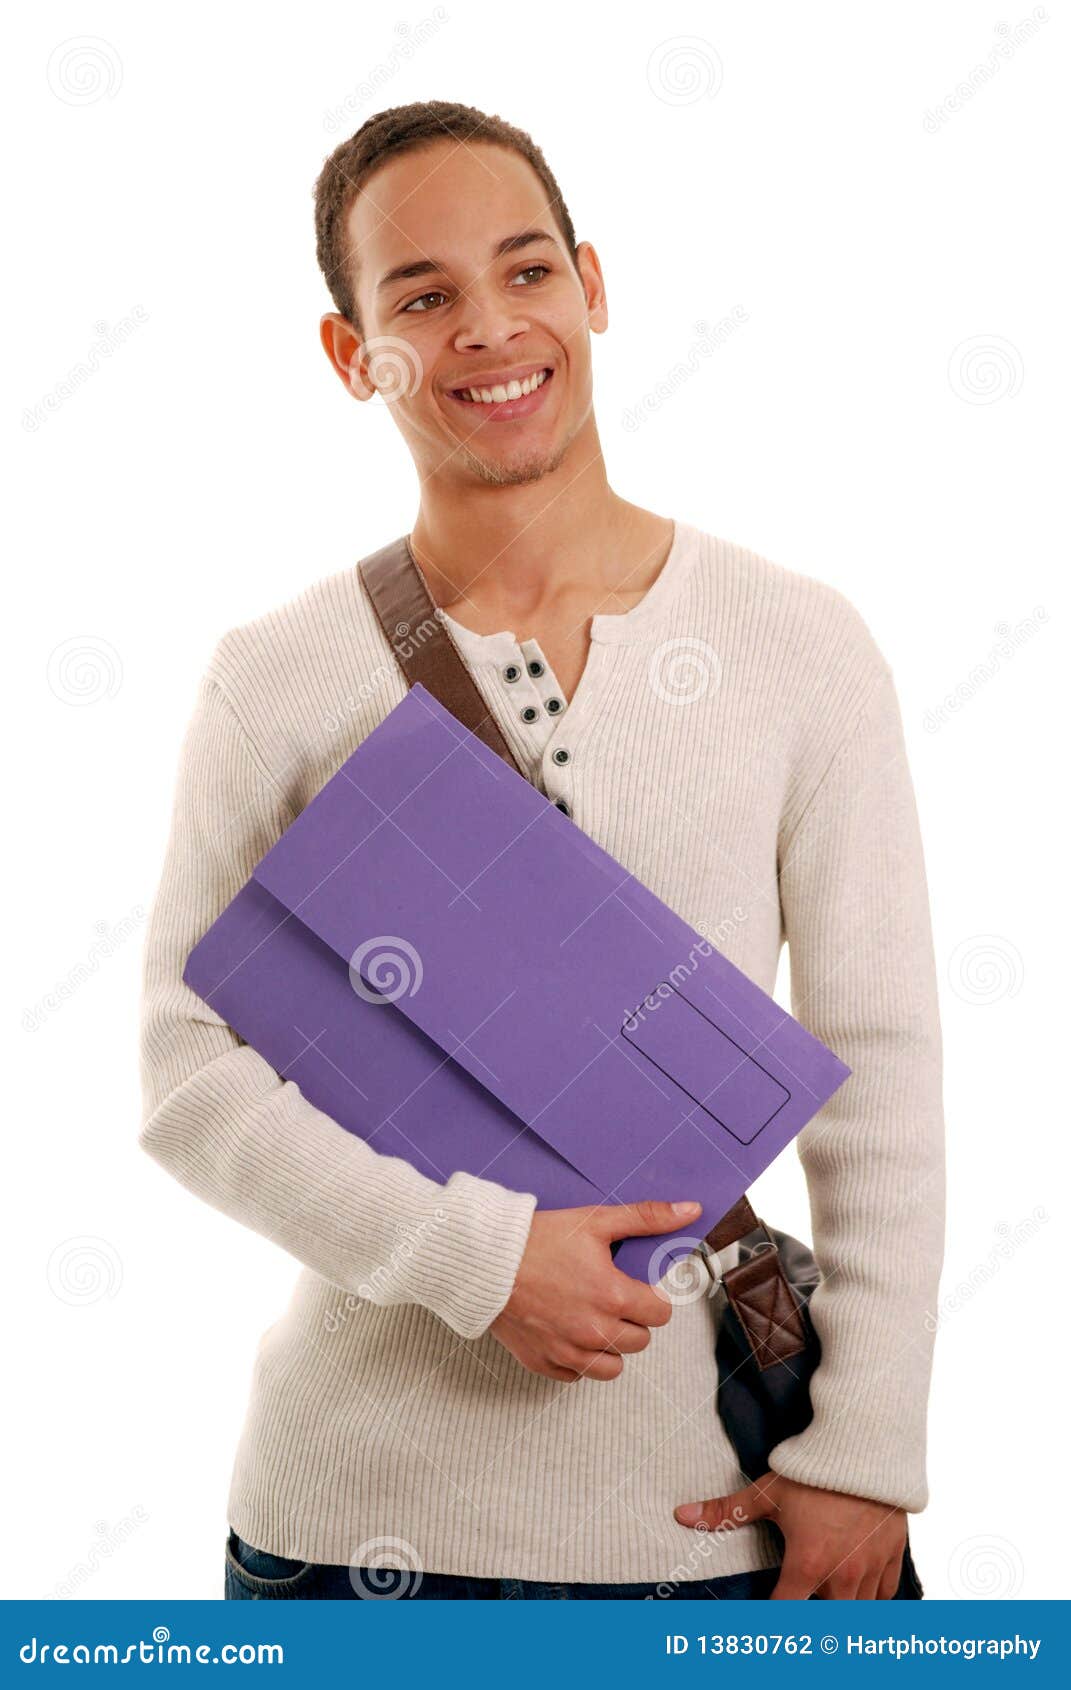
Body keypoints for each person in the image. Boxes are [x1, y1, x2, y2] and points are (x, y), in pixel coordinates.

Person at [139, 101, 945, 1602]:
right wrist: (476, 1259)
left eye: (524, 273)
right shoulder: (281, 673)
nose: (490, 328)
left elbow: (880, 1063)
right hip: (345, 1534)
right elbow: (184, 1069)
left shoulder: (796, 645)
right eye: (422, 297)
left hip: (715, 1515)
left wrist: (869, 1444)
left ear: (590, 283)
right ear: (350, 353)